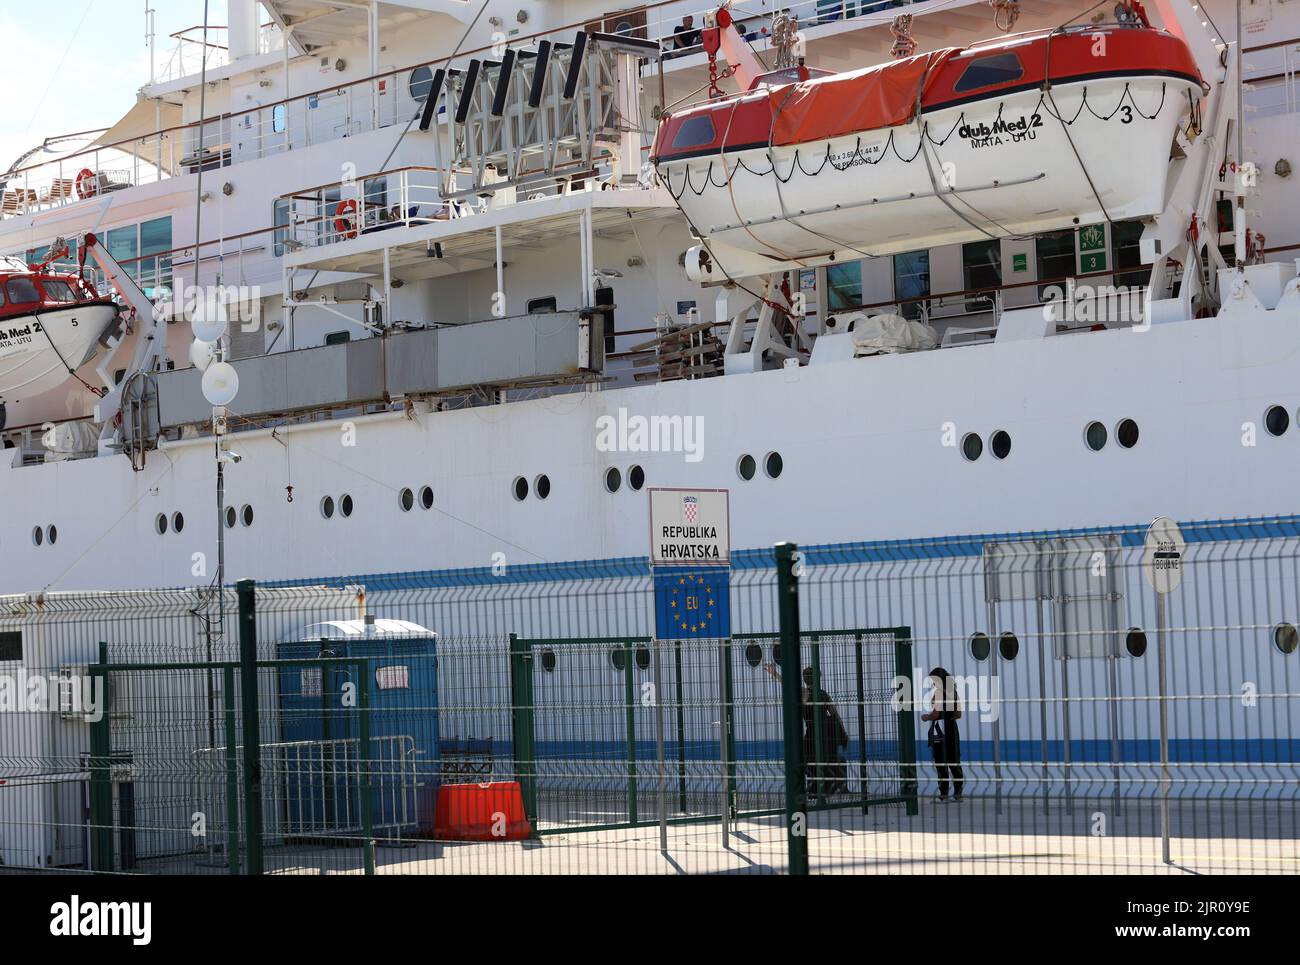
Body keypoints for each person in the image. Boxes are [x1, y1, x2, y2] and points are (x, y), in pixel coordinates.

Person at [765, 663, 850, 795]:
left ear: (805, 679)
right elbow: (835, 715)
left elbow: (788, 684)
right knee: (830, 759)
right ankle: (837, 786)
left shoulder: (804, 693)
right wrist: (843, 733)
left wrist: (774, 673)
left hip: (812, 733)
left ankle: (816, 787)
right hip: (827, 733)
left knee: (806, 760)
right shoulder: (823, 694)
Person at [920, 667, 964, 802]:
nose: (932, 682)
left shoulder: (939, 693)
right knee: (954, 762)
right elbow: (958, 715)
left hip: (940, 732)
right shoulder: (953, 691)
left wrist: (926, 717)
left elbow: (935, 714)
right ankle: (958, 794)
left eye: (933, 679)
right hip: (952, 729)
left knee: (941, 763)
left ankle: (944, 794)